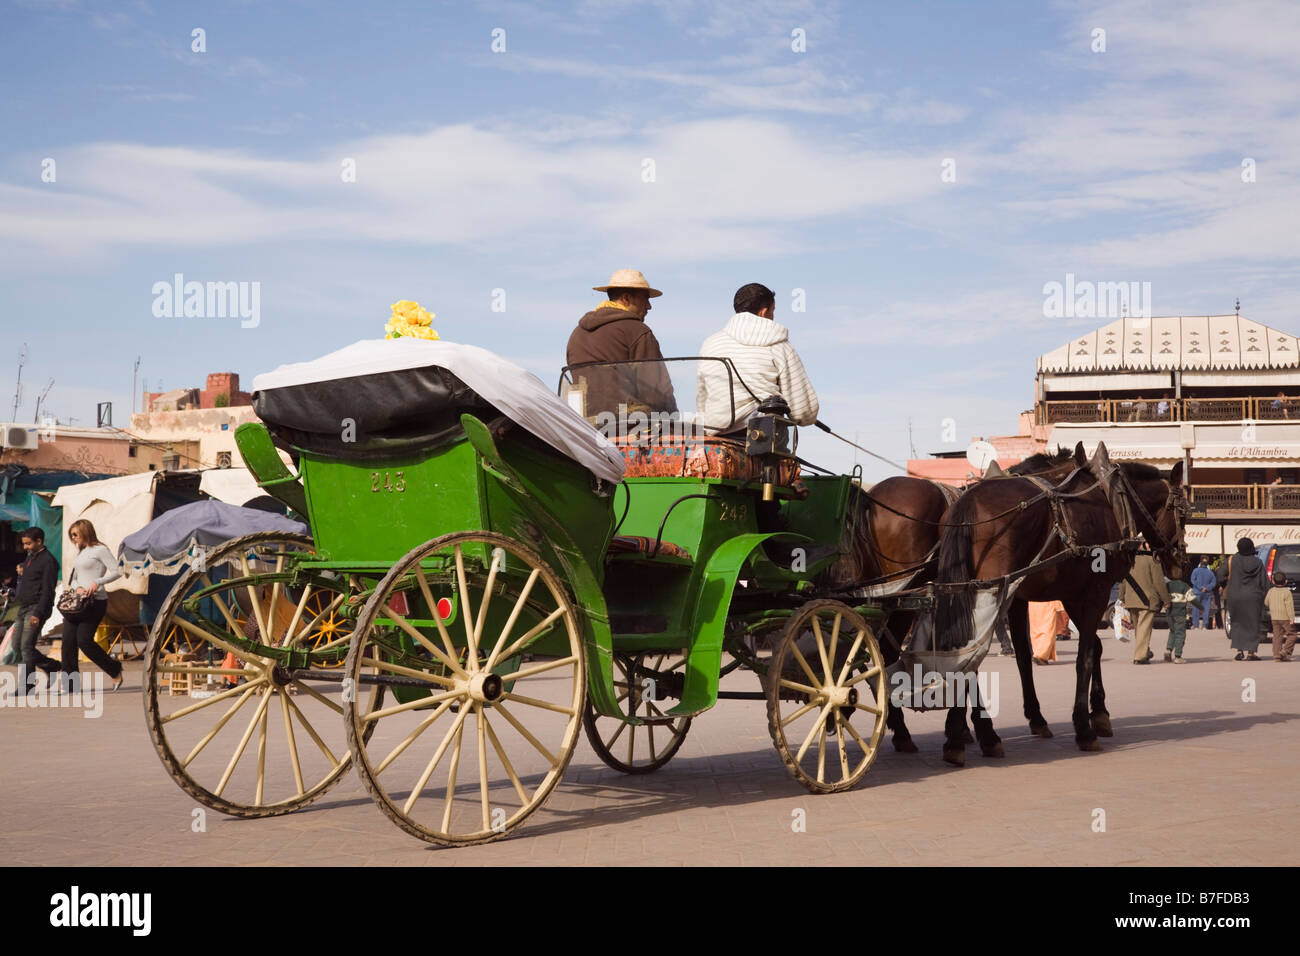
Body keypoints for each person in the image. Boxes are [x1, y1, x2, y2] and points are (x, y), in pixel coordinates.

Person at [695, 283, 819, 433]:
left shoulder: (710, 344)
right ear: (763, 312)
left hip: (714, 433)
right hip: (761, 438)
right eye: (773, 311)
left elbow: (702, 403)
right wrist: (806, 417)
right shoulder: (778, 344)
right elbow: (803, 411)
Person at [566, 269, 676, 425]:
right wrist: (673, 421)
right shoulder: (637, 331)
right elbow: (657, 392)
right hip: (630, 427)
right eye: (645, 299)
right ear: (626, 298)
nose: (649, 306)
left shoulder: (576, 334)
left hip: (585, 428)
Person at [59, 519, 124, 692]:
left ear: (85, 532)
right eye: (71, 536)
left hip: (95, 602)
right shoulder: (81, 552)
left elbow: (118, 570)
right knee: (67, 643)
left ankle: (114, 668)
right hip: (77, 603)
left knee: (84, 641)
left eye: (75, 534)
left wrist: (98, 582)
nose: (73, 539)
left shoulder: (100, 550)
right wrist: (77, 587)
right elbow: (74, 579)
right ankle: (70, 685)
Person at [11, 527, 60, 694]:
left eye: (28, 543)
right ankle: (51, 665)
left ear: (39, 541)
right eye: (24, 544)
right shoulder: (31, 558)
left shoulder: (48, 561)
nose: (25, 547)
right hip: (23, 607)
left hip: (36, 607)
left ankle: (27, 685)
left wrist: (38, 613)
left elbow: (48, 590)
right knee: (17, 645)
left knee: (26, 646)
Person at [1217, 537, 1269, 661]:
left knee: (1237, 622)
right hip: (1253, 596)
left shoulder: (1232, 560)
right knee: (1253, 623)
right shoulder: (1258, 562)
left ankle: (1239, 651)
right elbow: (1265, 582)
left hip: (1235, 595)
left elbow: (1220, 575)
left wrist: (1226, 585)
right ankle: (1251, 653)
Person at [1120, 547, 1171, 664]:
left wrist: (1122, 597)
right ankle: (1140, 657)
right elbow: (1159, 582)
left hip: (1131, 599)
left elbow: (1123, 580)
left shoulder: (1129, 559)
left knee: (1139, 629)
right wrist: (1166, 599)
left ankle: (1145, 651)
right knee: (1144, 628)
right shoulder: (1152, 559)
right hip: (1147, 600)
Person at [1163, 576, 1201, 663]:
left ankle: (1168, 650)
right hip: (1180, 613)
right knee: (1180, 634)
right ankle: (1178, 656)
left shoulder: (1167, 585)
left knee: (1172, 631)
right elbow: (1192, 598)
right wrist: (1200, 607)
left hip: (1169, 613)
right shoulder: (1184, 586)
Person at [1265, 572, 1295, 661]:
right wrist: (1291, 618)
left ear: (1273, 581)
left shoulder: (1271, 591)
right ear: (1285, 581)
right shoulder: (1287, 592)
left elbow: (1266, 602)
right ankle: (1285, 651)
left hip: (1274, 617)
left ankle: (1277, 655)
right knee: (1292, 635)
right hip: (1285, 617)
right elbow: (1289, 606)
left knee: (1277, 636)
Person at [1028, 600, 1068, 664]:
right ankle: (1041, 655)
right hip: (1047, 601)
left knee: (1036, 629)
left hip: (1033, 603)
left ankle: (1041, 654)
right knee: (1048, 628)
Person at [1189, 557, 1216, 629]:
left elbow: (1192, 580)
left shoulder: (1195, 571)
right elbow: (1213, 583)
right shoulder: (1210, 573)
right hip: (1206, 593)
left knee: (1195, 609)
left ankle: (1196, 625)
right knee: (1206, 609)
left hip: (1197, 592)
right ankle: (1204, 625)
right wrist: (1206, 588)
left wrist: (1200, 587)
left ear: (1200, 564)